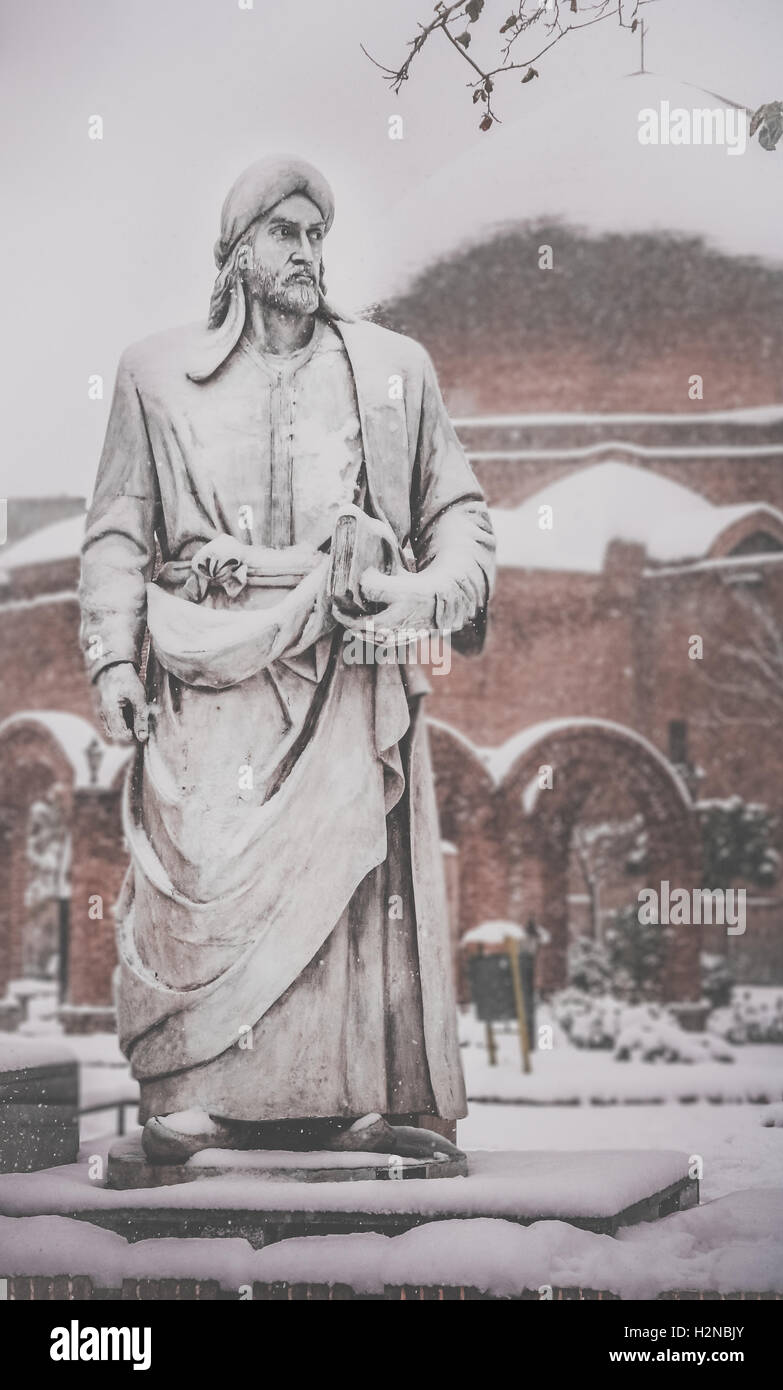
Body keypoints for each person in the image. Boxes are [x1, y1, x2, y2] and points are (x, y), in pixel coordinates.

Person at [79, 155, 496, 1164]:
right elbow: (116, 534)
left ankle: (346, 1090)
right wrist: (113, 663)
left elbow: (463, 524)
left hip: (340, 677)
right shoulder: (153, 375)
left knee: (347, 884)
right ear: (236, 252)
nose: (308, 253)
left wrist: (411, 594)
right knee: (204, 881)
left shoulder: (391, 372)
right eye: (285, 234)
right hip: (204, 677)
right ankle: (198, 1092)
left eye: (317, 236)